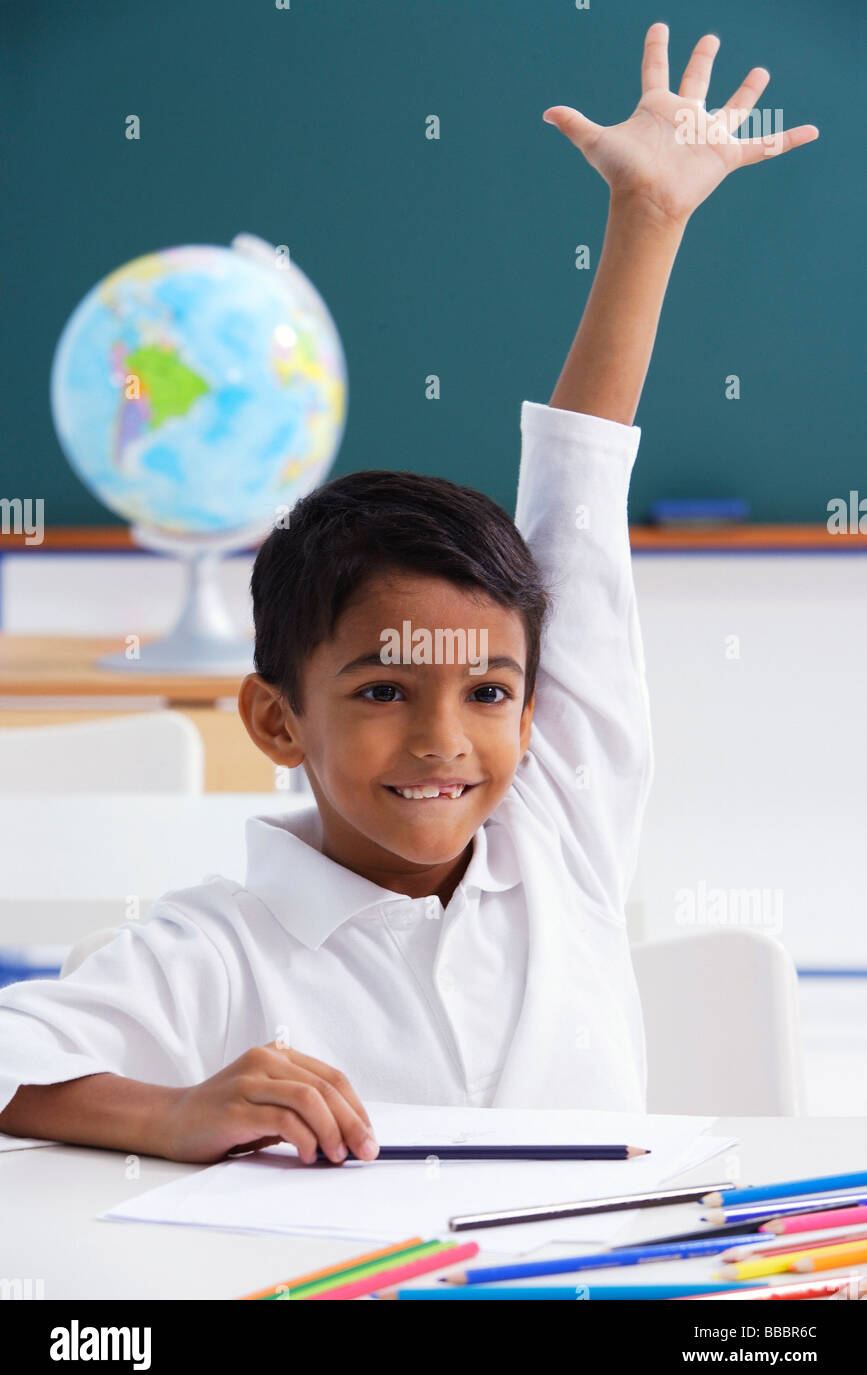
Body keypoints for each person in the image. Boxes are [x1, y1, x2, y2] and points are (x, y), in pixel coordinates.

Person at [0, 24, 817, 1165]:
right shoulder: (217, 946)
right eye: (384, 687)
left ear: (534, 717)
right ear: (276, 719)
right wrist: (168, 1111)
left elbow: (576, 499)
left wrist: (649, 220)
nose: (446, 740)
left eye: (488, 692)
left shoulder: (562, 824)